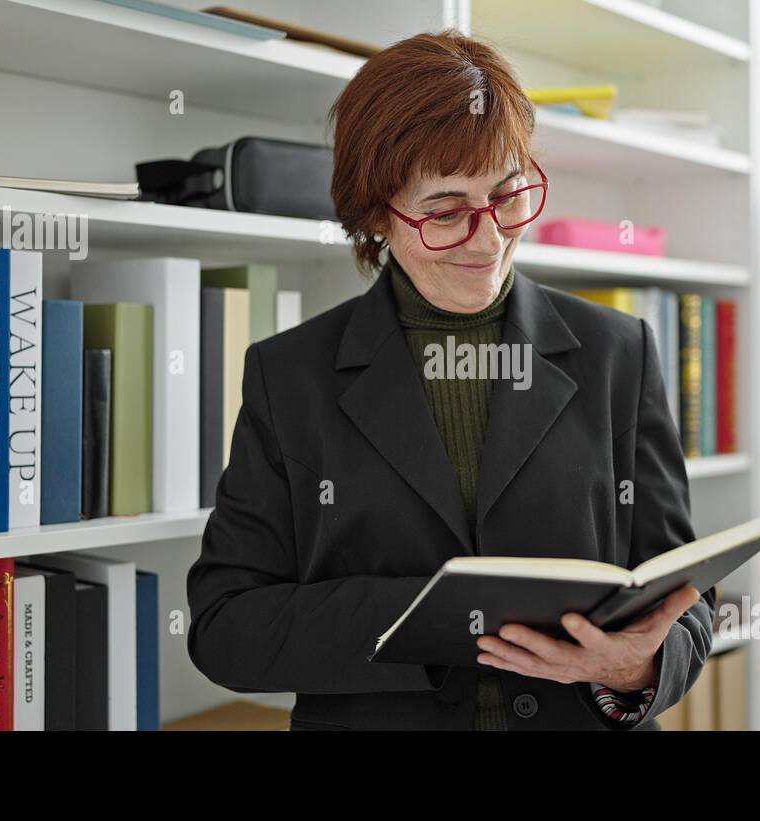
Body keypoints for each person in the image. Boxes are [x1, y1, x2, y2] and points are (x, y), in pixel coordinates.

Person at [186, 29, 717, 730]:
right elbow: (226, 627)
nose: (490, 238)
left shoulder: (620, 352)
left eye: (508, 194)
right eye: (445, 212)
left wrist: (634, 668)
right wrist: (436, 616)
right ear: (376, 214)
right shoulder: (288, 376)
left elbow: (685, 603)